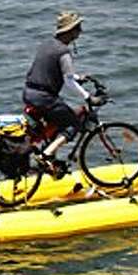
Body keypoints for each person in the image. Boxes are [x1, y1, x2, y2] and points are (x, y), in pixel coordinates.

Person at [23, 10, 91, 171]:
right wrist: (87, 96)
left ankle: (50, 163)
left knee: (56, 123)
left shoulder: (47, 44)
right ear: (70, 31)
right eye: (78, 28)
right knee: (73, 124)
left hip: (29, 93)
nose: (80, 32)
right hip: (44, 98)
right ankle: (45, 155)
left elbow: (56, 71)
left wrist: (77, 78)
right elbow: (68, 81)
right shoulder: (63, 52)